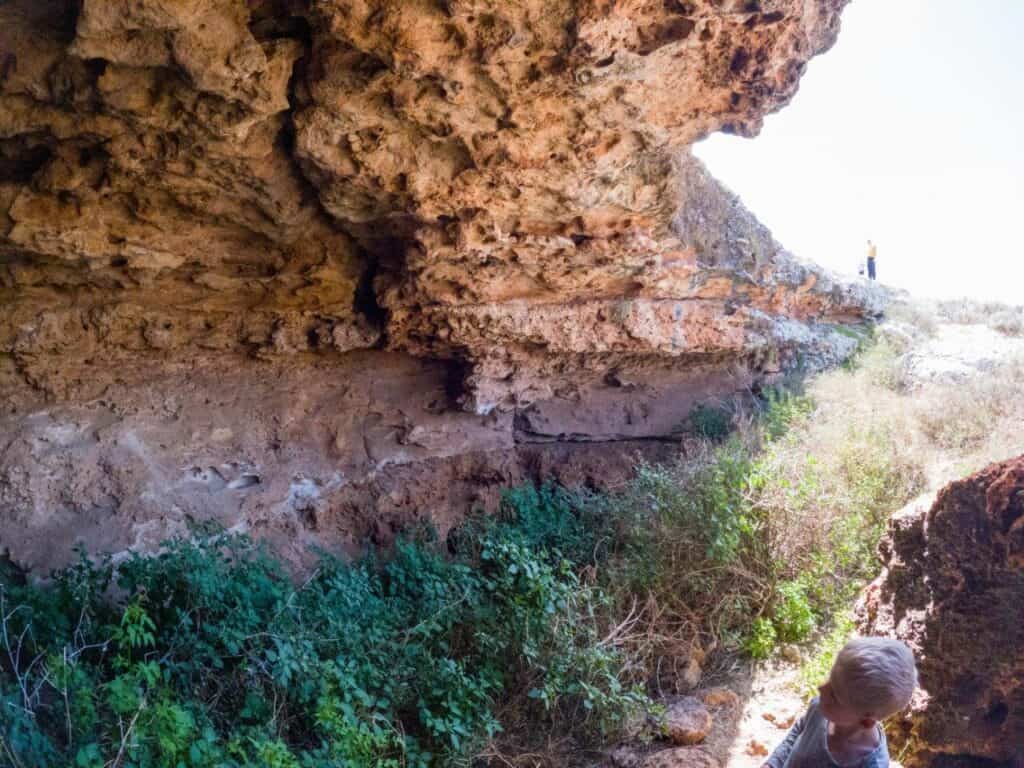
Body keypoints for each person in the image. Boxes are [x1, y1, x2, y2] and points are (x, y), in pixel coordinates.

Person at [763, 637, 917, 768]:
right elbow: (800, 729)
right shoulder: (820, 708)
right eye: (830, 679)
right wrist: (773, 763)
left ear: (866, 720)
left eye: (835, 694)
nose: (821, 689)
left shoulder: (871, 764)